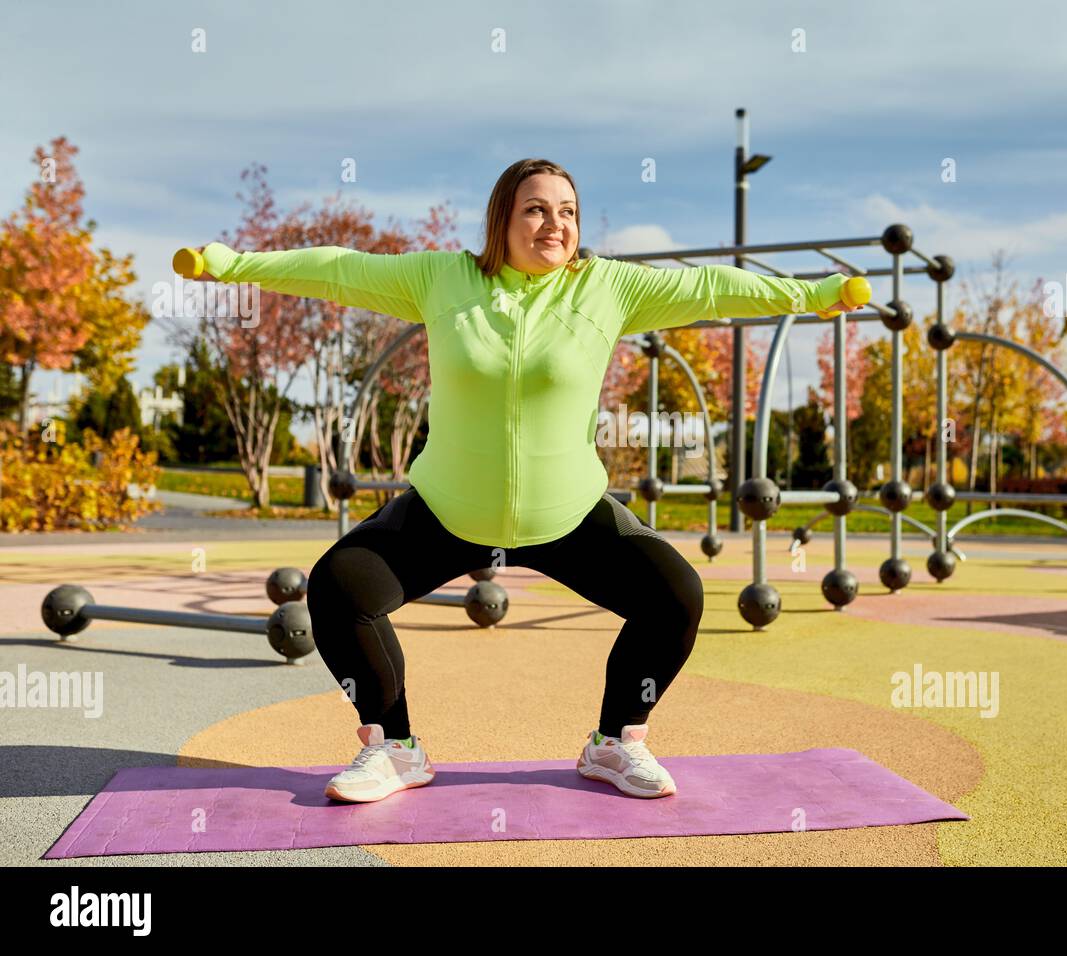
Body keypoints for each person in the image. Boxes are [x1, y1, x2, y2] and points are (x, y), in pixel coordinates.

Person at [189, 157, 860, 804]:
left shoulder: (608, 287)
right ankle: (392, 747)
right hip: (450, 511)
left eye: (567, 211)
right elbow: (339, 269)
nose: (555, 224)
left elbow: (713, 288)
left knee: (675, 595)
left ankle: (616, 740)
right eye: (535, 209)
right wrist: (236, 266)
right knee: (338, 590)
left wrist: (817, 296)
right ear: (500, 221)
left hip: (565, 515)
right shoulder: (443, 279)